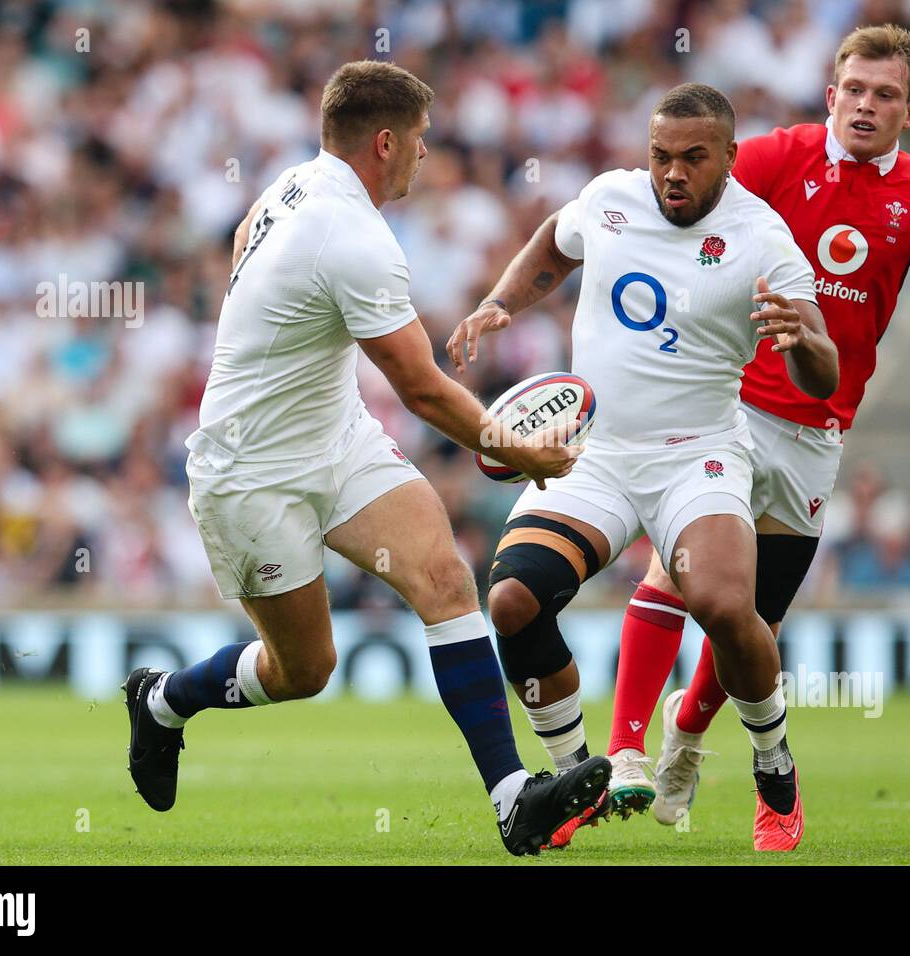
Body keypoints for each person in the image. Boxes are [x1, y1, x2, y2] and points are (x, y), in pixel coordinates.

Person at [603, 24, 910, 830]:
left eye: (885, 95)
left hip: (816, 435)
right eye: (855, 90)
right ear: (832, 94)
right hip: (724, 411)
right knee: (673, 574)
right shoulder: (766, 159)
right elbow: (672, 213)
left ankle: (685, 736)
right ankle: (625, 759)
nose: (866, 105)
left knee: (752, 623)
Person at [122, 59, 608, 858]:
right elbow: (420, 389)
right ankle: (166, 701)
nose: (426, 154)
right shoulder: (355, 237)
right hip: (251, 472)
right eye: (419, 140)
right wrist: (522, 453)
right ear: (385, 142)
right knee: (304, 668)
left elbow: (247, 242)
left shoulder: (292, 186)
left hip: (336, 435)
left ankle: (513, 799)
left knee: (447, 581)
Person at [447, 83, 838, 851]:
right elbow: (553, 246)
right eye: (661, 156)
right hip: (596, 452)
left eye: (694, 158)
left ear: (729, 157)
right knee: (512, 603)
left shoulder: (762, 235)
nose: (673, 174)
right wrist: (501, 302)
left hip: (700, 456)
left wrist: (804, 342)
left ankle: (773, 760)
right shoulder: (609, 199)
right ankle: (573, 776)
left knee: (728, 608)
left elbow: (821, 374)